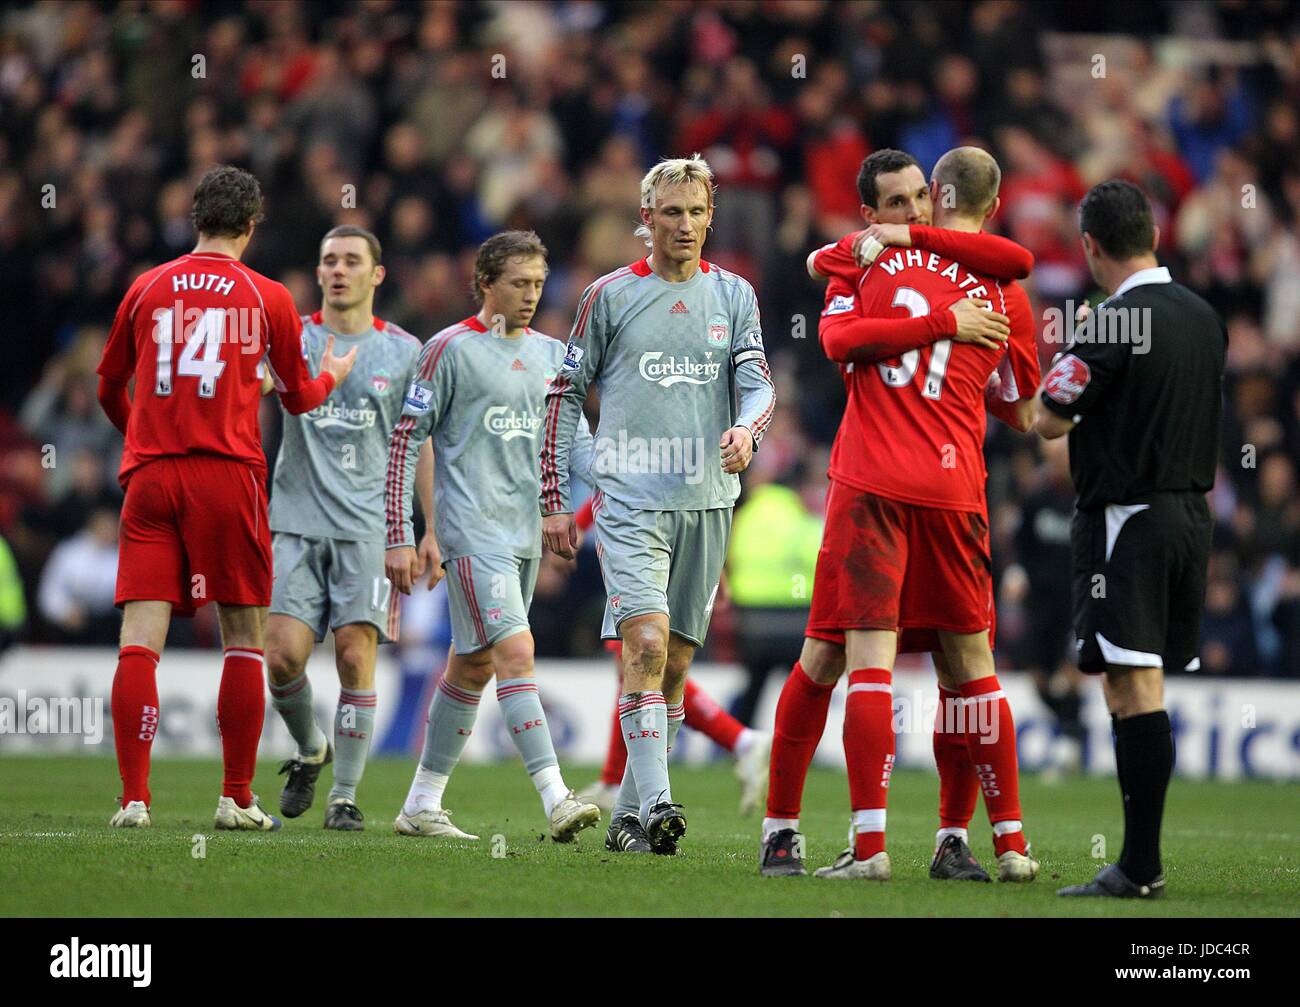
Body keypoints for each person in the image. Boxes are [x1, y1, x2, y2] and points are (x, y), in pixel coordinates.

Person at [761, 148, 1041, 882]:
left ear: (938, 196)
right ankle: (1000, 843)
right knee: (954, 665)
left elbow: (837, 340)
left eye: (921, 199)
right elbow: (1024, 405)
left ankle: (881, 842)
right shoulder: (1000, 287)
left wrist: (880, 257)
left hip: (874, 485)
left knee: (860, 659)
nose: (912, 214)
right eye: (898, 204)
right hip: (952, 491)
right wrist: (951, 329)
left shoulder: (866, 263)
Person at [96, 165, 357, 831]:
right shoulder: (266, 295)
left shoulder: (147, 286)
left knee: (139, 640)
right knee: (243, 635)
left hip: (151, 477)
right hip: (227, 475)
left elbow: (108, 386)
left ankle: (133, 799)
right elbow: (297, 397)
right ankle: (236, 796)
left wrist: (147, 438)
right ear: (251, 223)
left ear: (195, 219)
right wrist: (330, 374)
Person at [540, 155, 777, 855]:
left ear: (710, 215)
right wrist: (559, 496)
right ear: (646, 220)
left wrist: (747, 429)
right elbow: (563, 395)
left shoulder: (735, 295)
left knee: (673, 665)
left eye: (696, 212)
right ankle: (660, 802)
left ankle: (629, 815)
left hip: (707, 501)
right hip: (630, 501)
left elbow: (759, 385)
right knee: (641, 645)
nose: (684, 224)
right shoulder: (608, 296)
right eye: (670, 212)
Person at [385, 230, 602, 843]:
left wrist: (619, 487)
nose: (532, 294)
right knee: (516, 653)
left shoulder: (552, 355)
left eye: (538, 283)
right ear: (485, 283)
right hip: (469, 530)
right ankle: (557, 798)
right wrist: (403, 533)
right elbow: (406, 438)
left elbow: (571, 443)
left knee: (473, 665)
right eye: (519, 283)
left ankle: (421, 803)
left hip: (522, 535)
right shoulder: (447, 349)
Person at [1041, 180, 1226, 899]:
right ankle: (1139, 861)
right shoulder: (1204, 314)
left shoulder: (1113, 320)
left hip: (1132, 519)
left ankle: (1139, 866)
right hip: (1191, 516)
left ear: (1090, 245)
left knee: (1132, 683)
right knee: (1140, 679)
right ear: (1152, 232)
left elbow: (1052, 416)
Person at [263, 226, 427, 831]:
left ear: (376, 275)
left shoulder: (406, 352)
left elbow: (420, 443)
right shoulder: (293, 339)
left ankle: (346, 795)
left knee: (357, 655)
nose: (337, 270)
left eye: (351, 261)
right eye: (328, 259)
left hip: (368, 526)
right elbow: (249, 388)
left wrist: (423, 529)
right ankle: (311, 746)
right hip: (295, 520)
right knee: (281, 657)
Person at [571, 496, 773, 816]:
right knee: (639, 665)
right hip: (649, 530)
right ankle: (615, 781)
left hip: (648, 533)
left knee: (646, 663)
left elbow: (617, 463)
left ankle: (739, 741)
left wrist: (578, 523)